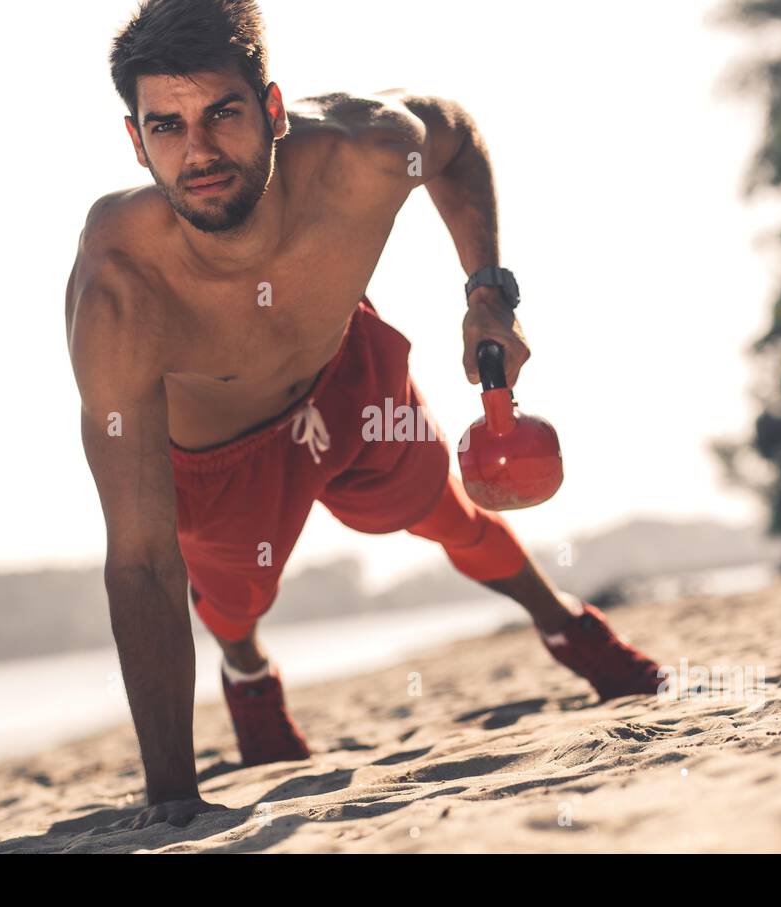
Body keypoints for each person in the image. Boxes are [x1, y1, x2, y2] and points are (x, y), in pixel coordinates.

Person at [64, 0, 662, 829]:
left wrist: (488, 292)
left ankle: (567, 627)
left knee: (445, 510)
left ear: (272, 110)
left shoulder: (366, 150)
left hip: (345, 374)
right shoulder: (120, 287)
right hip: (217, 461)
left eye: (223, 114)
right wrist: (172, 799)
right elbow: (140, 562)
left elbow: (455, 137)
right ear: (135, 140)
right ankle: (246, 671)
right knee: (232, 603)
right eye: (166, 126)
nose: (198, 151)